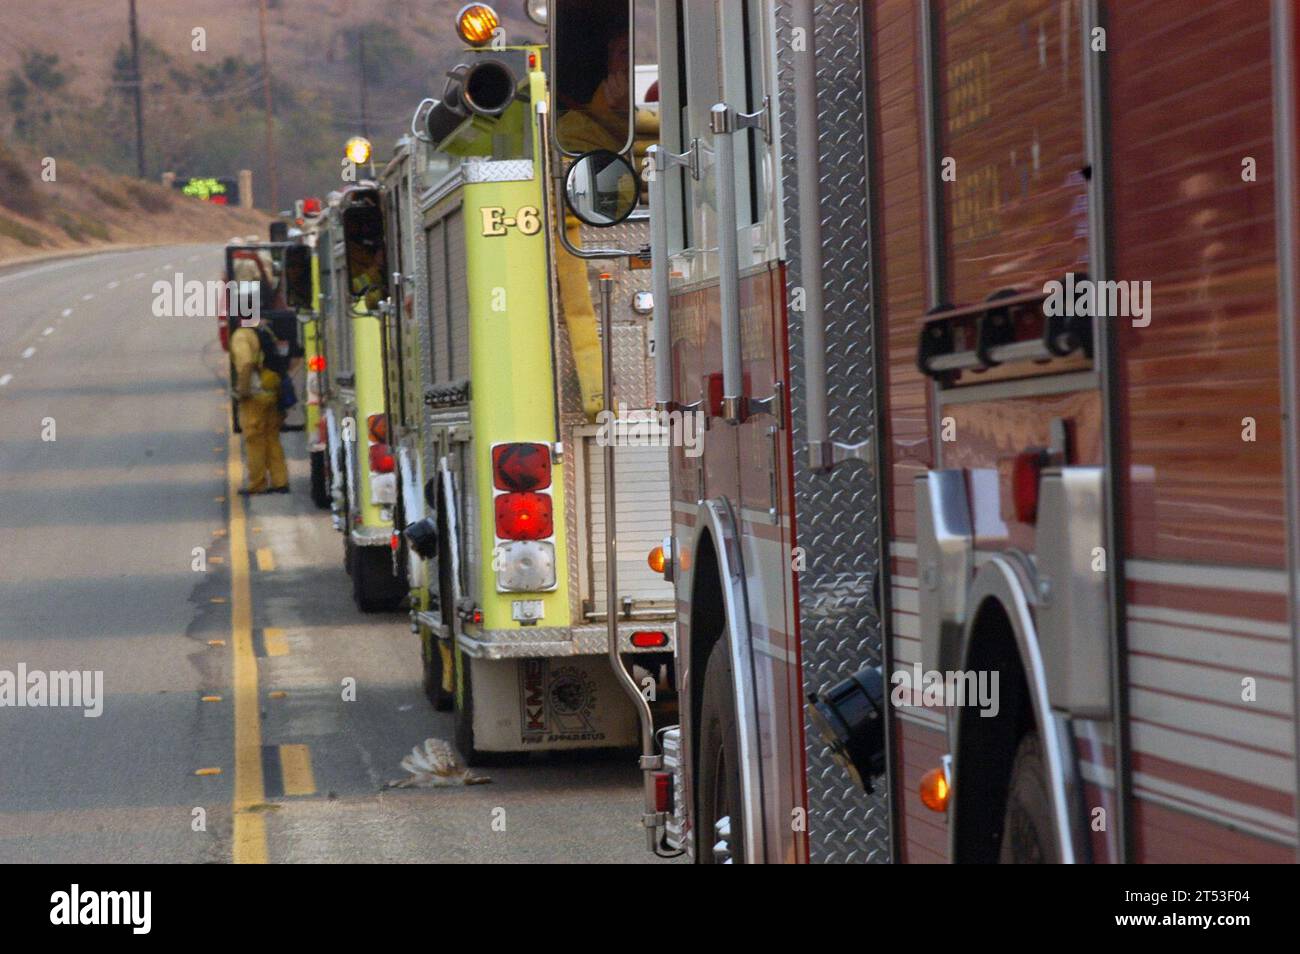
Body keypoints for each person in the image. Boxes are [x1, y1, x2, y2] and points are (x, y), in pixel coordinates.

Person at [230, 315, 292, 496]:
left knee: (254, 439)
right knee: (272, 437)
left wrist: (242, 391)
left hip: (255, 395)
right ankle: (280, 481)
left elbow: (247, 363)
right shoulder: (264, 331)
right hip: (272, 391)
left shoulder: (242, 336)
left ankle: (257, 483)